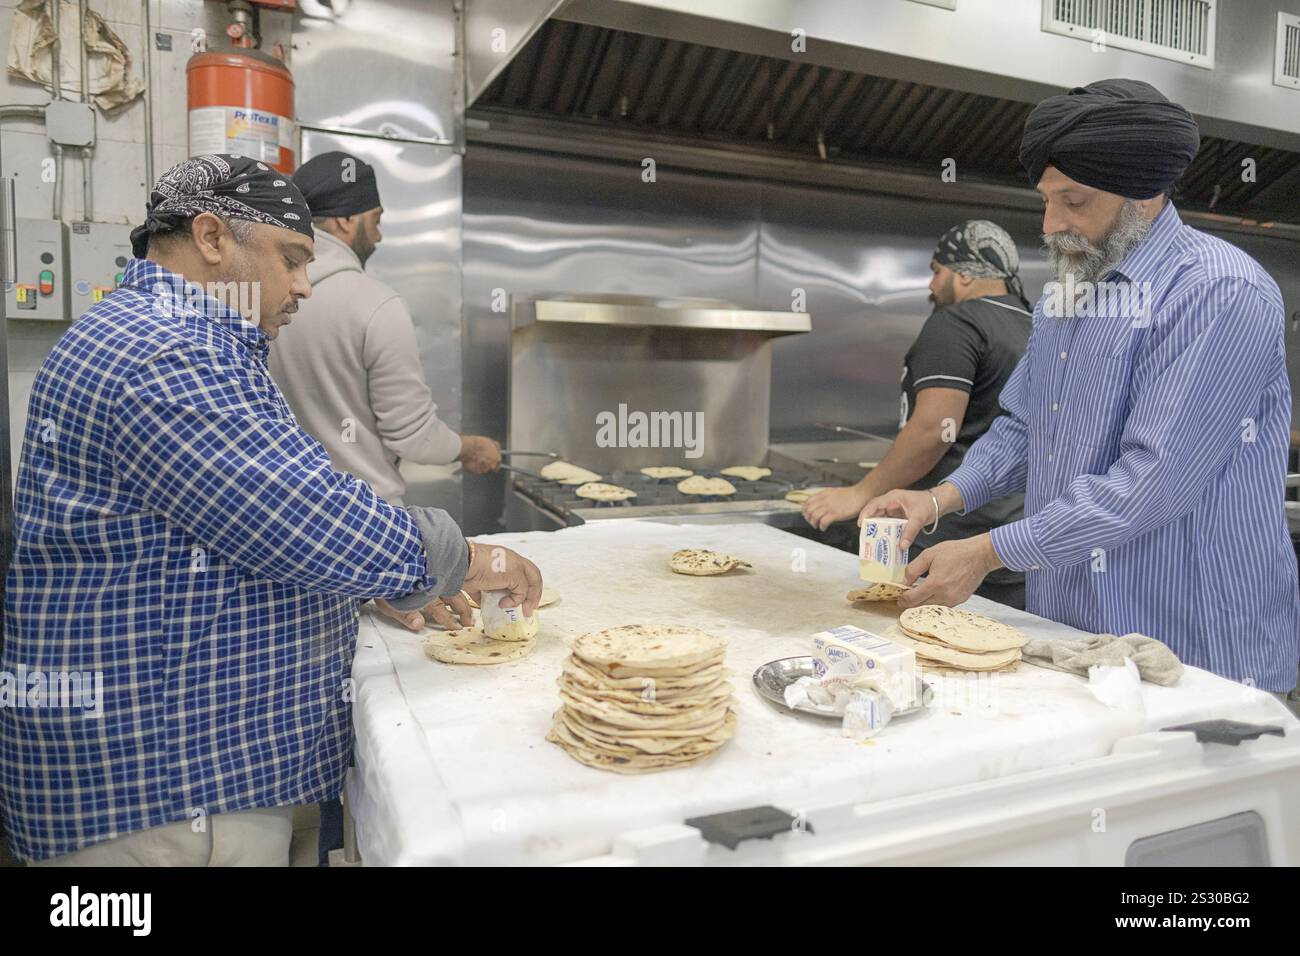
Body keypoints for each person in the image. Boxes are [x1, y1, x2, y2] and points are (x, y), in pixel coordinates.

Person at [0, 155, 541, 865]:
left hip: (175, 773)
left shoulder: (179, 337)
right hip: (161, 788)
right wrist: (464, 557)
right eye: (291, 259)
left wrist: (370, 581)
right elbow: (303, 516)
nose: (303, 286)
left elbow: (241, 525)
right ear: (213, 237)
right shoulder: (164, 351)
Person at [863, 80, 1300, 700]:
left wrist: (988, 552)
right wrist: (938, 501)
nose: (1052, 225)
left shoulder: (1217, 293)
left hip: (1197, 649)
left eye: (1074, 202)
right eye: (1046, 200)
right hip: (1070, 633)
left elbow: (1154, 479)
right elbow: (1022, 427)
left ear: (1143, 195)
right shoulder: (1068, 294)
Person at [803, 220, 1031, 607]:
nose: (930, 285)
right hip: (1009, 541)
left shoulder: (957, 322)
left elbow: (933, 429)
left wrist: (861, 493)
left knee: (922, 652)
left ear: (963, 272)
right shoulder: (1034, 325)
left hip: (946, 538)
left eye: (935, 271)